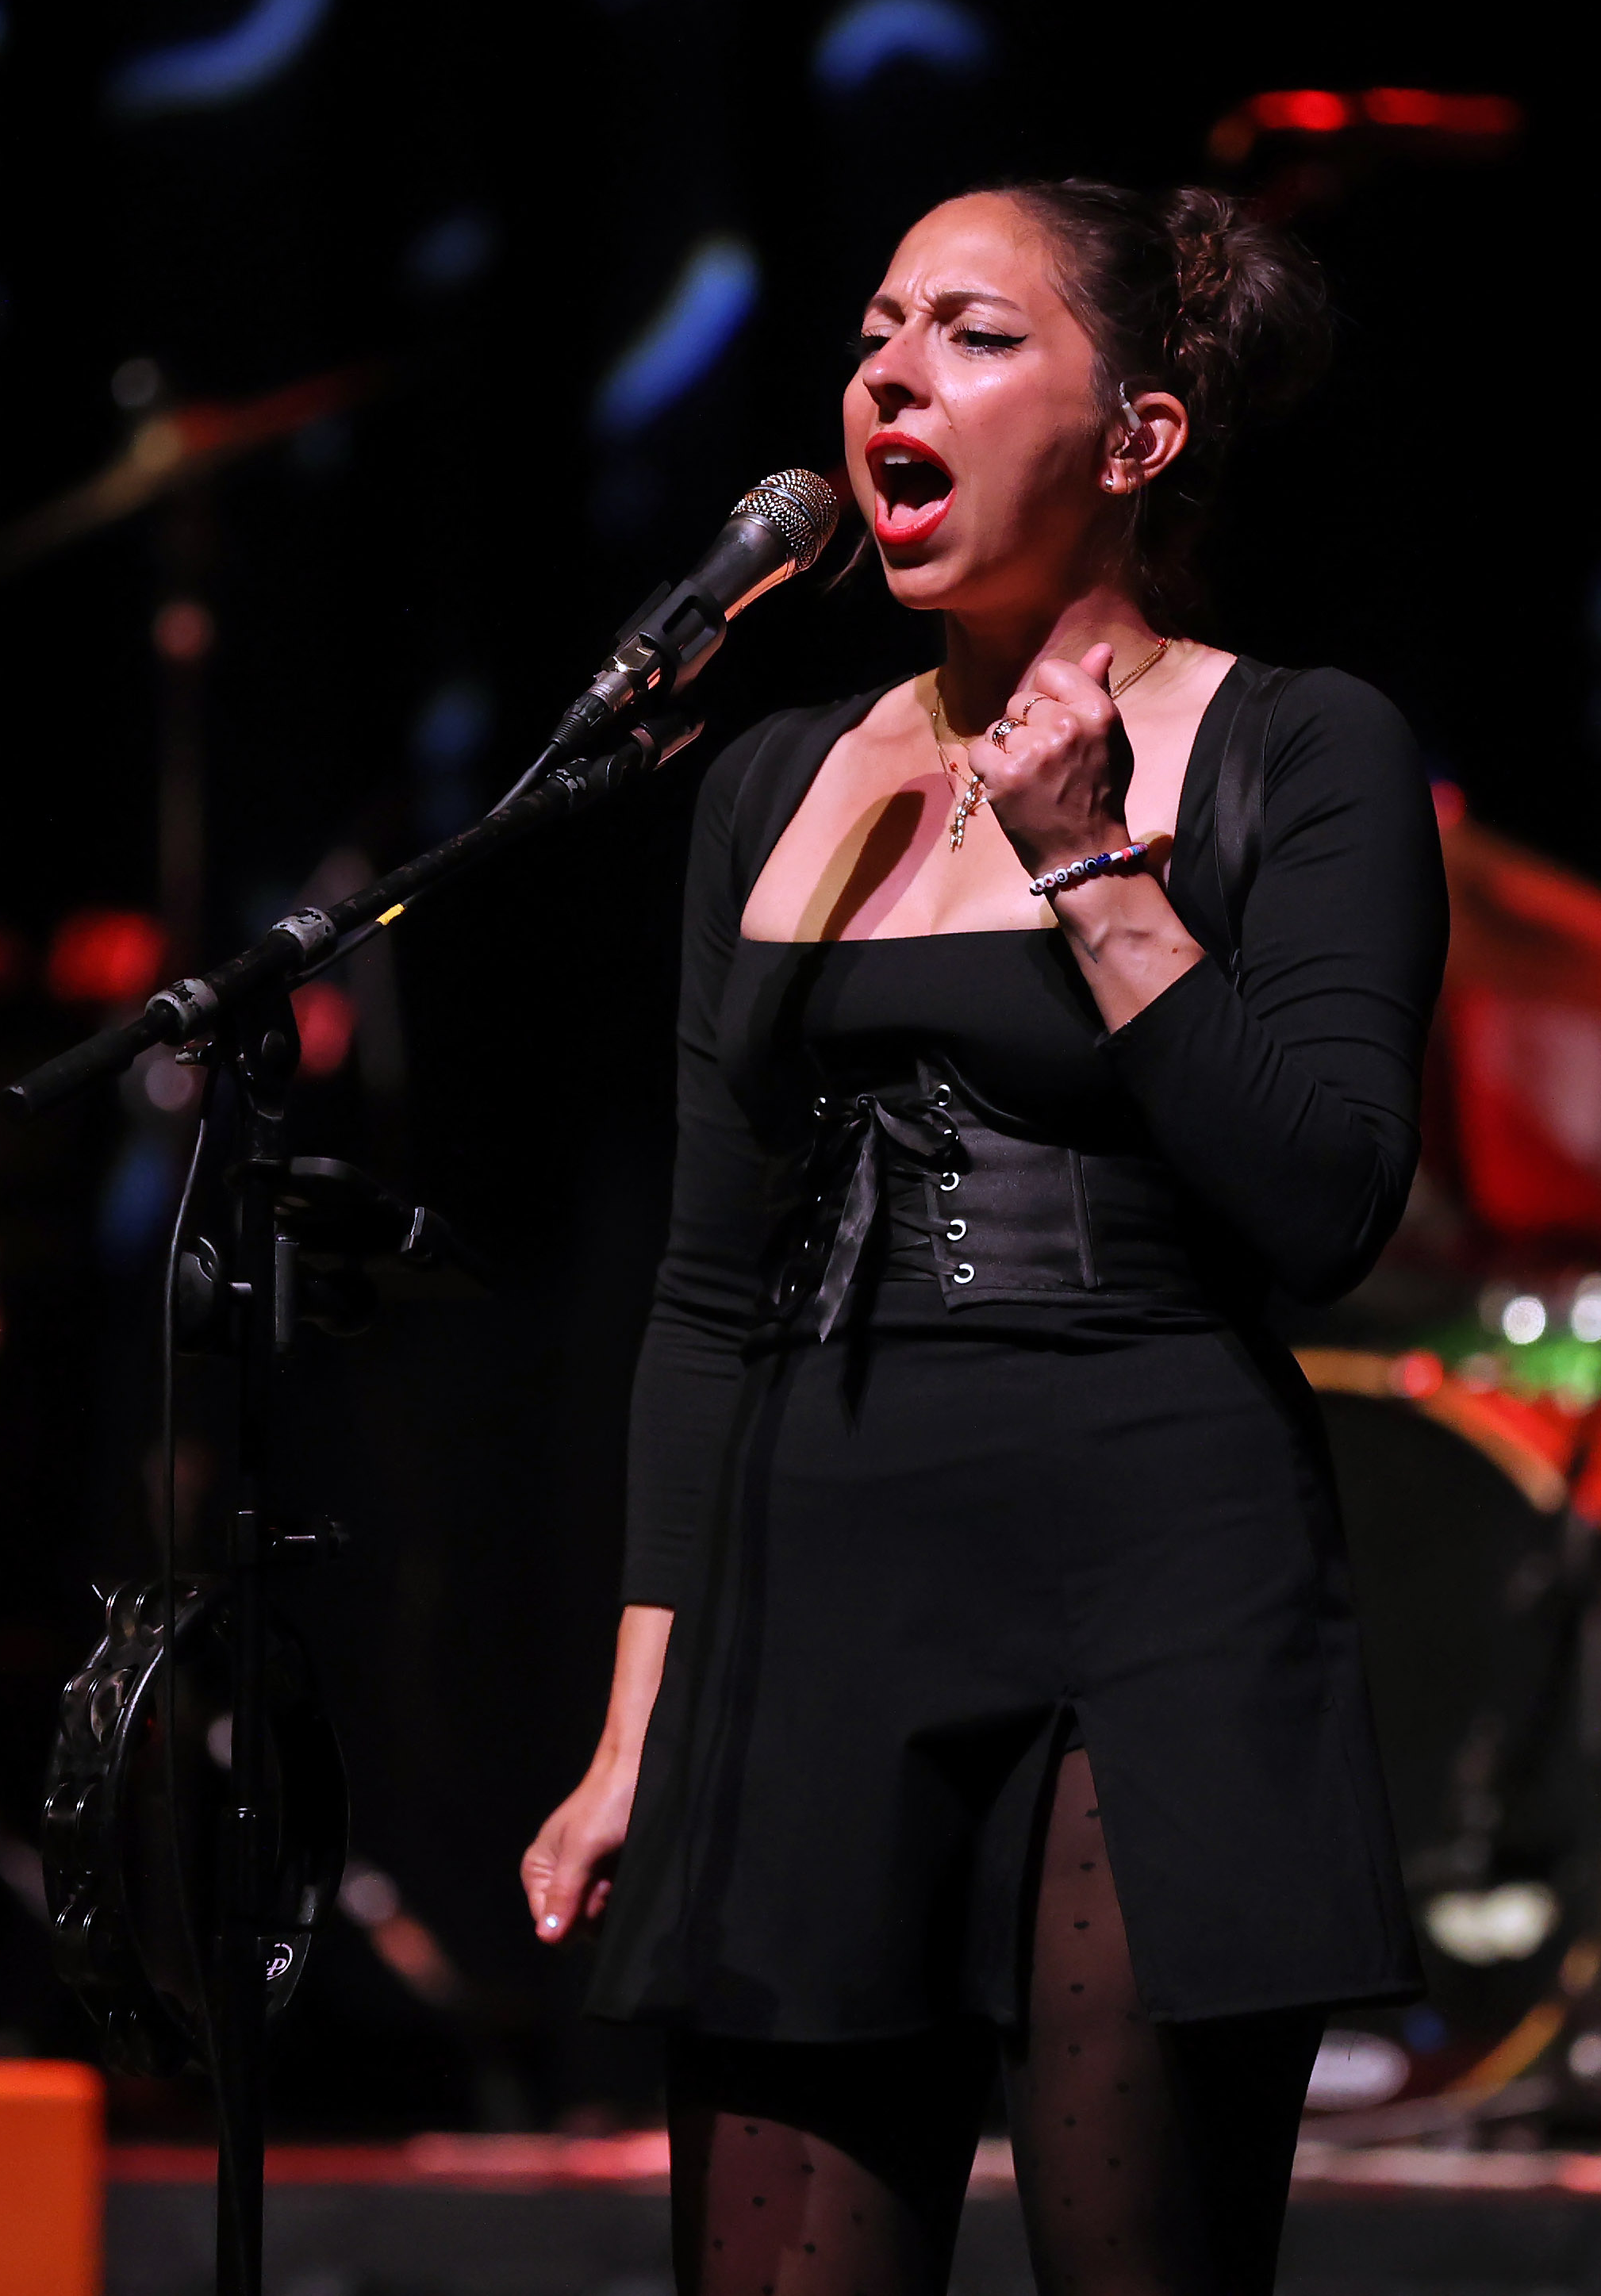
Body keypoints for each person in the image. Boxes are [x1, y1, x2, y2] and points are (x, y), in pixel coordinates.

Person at [518, 182, 1446, 2296]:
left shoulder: (1297, 744)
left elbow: (1324, 1198)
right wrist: (639, 1721)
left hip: (1154, 1574)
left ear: (1136, 434)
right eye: (872, 331)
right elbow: (704, 1285)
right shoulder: (774, 778)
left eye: (969, 331)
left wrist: (1093, 869)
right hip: (814, 1588)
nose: (888, 376)